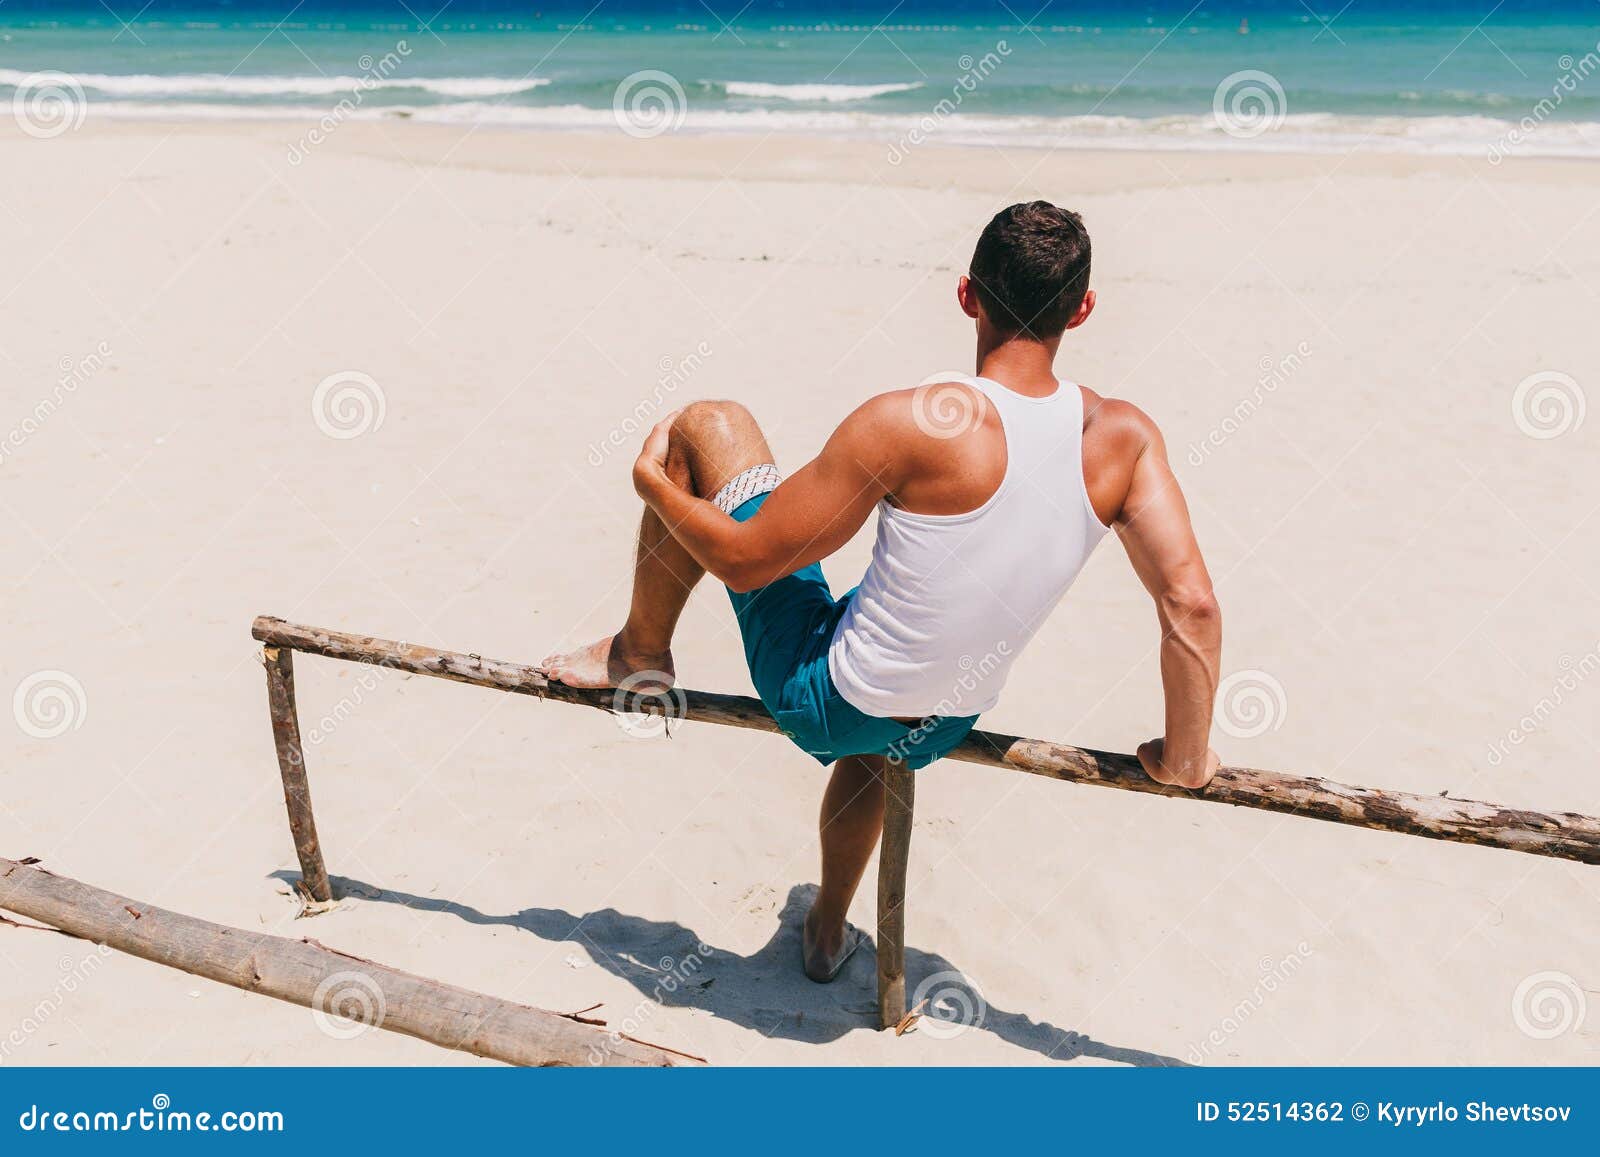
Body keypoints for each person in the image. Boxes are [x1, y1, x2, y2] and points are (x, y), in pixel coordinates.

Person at [541, 201, 1222, 982]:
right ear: (1083, 309)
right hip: (943, 717)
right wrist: (1186, 757)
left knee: (711, 422)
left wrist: (652, 486)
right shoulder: (1125, 439)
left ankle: (638, 652)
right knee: (882, 696)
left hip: (824, 698)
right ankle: (827, 932)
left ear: (968, 296)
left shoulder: (908, 422)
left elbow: (742, 562)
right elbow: (1192, 604)